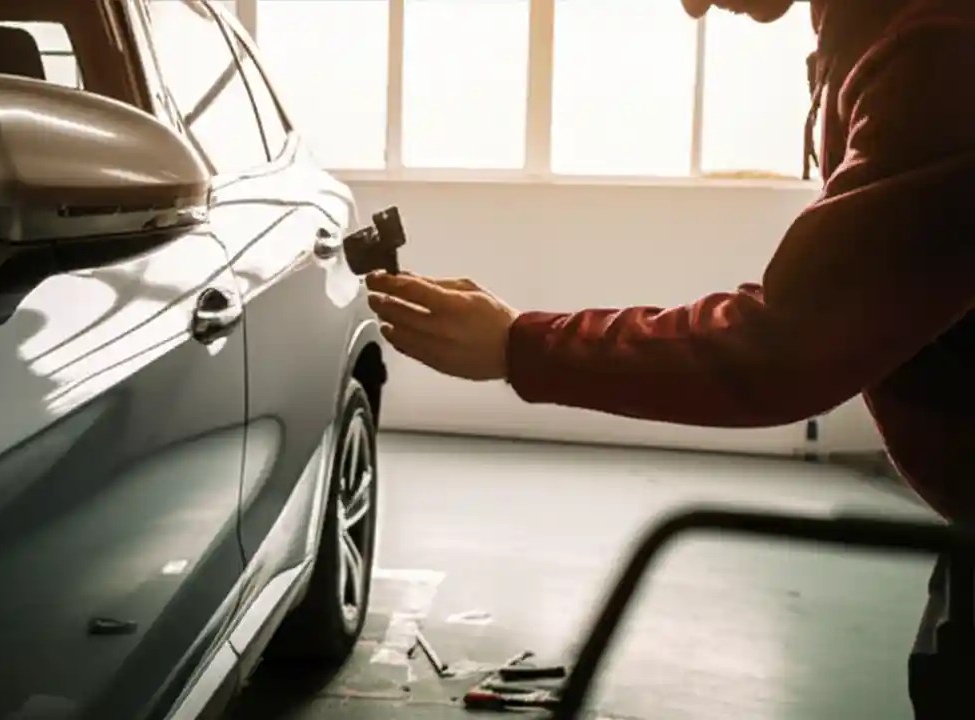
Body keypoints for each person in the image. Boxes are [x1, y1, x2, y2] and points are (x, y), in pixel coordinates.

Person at [364, 0, 975, 717]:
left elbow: (785, 343)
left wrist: (519, 345)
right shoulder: (882, 34)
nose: (691, 8)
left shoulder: (939, 49)